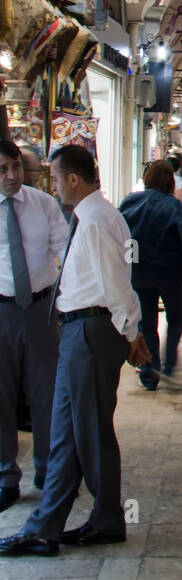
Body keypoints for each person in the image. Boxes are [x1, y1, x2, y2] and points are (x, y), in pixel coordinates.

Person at [0, 144, 150, 556]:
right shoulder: (89, 217)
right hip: (78, 331)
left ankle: (106, 518)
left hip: (91, 332)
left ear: (73, 179)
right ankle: (44, 527)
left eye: (55, 176)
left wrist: (131, 333)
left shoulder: (97, 220)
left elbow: (116, 284)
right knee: (67, 433)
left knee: (91, 429)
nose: (51, 184)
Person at [0, 138, 69, 512]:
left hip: (41, 308)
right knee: (2, 397)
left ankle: (48, 470)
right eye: (3, 169)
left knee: (46, 394)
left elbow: (65, 248)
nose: (12, 176)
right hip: (1, 311)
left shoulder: (43, 204)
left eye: (15, 167)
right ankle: (5, 477)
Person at [119, 161, 182, 390]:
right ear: (169, 181)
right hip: (169, 273)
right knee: (176, 318)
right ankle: (169, 363)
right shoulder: (175, 208)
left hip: (139, 273)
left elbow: (121, 238)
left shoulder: (129, 203)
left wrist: (125, 268)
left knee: (146, 323)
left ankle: (149, 369)